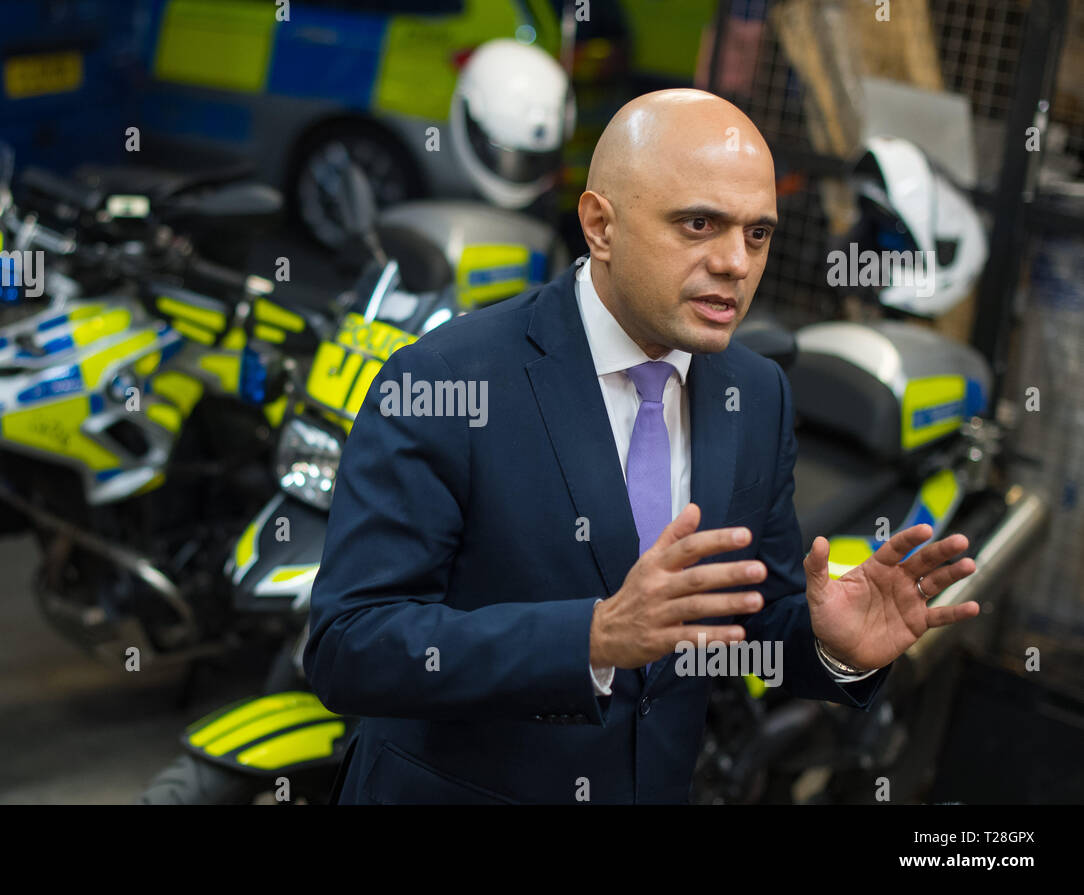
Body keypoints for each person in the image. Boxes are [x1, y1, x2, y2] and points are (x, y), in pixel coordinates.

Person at [303, 88, 980, 804]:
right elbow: (351, 644)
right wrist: (589, 638)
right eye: (699, 224)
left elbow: (749, 615)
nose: (735, 263)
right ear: (600, 225)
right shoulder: (445, 380)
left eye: (757, 234)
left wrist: (828, 646)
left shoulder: (756, 395)